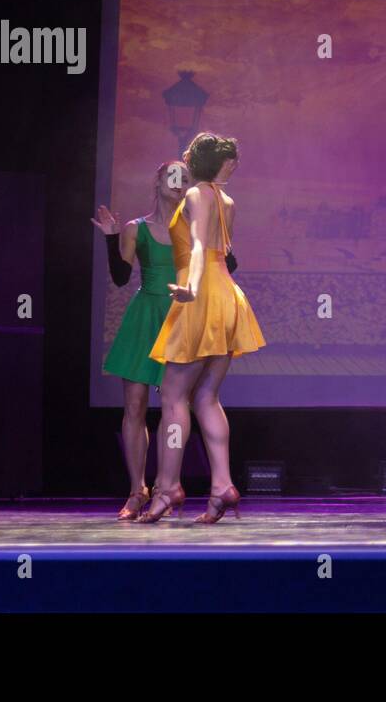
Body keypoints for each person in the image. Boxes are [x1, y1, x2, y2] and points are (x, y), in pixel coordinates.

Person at [139, 132, 265, 524]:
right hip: (226, 294)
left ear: (196, 162)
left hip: (202, 294)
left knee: (174, 397)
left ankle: (166, 489)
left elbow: (197, 246)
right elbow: (221, 252)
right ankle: (222, 486)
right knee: (207, 395)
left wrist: (190, 287)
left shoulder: (196, 196)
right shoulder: (226, 201)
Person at [92, 160, 185, 519]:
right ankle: (137, 490)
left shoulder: (192, 228)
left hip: (179, 318)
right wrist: (111, 237)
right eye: (172, 175)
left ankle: (166, 486)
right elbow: (119, 278)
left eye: (184, 178)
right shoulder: (137, 228)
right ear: (158, 179)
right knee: (134, 406)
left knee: (174, 409)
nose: (178, 182)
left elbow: (221, 268)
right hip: (144, 317)